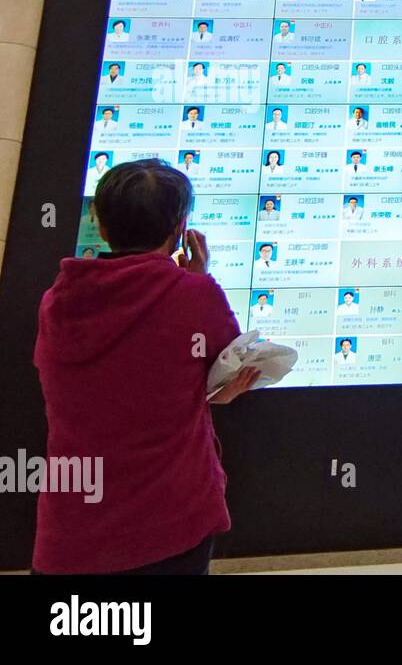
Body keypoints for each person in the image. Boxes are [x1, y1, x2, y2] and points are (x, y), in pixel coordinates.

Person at [31, 159, 259, 575]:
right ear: (180, 231)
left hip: (72, 532)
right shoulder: (194, 294)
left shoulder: (57, 302)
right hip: (168, 526)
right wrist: (198, 279)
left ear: (100, 226)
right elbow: (222, 363)